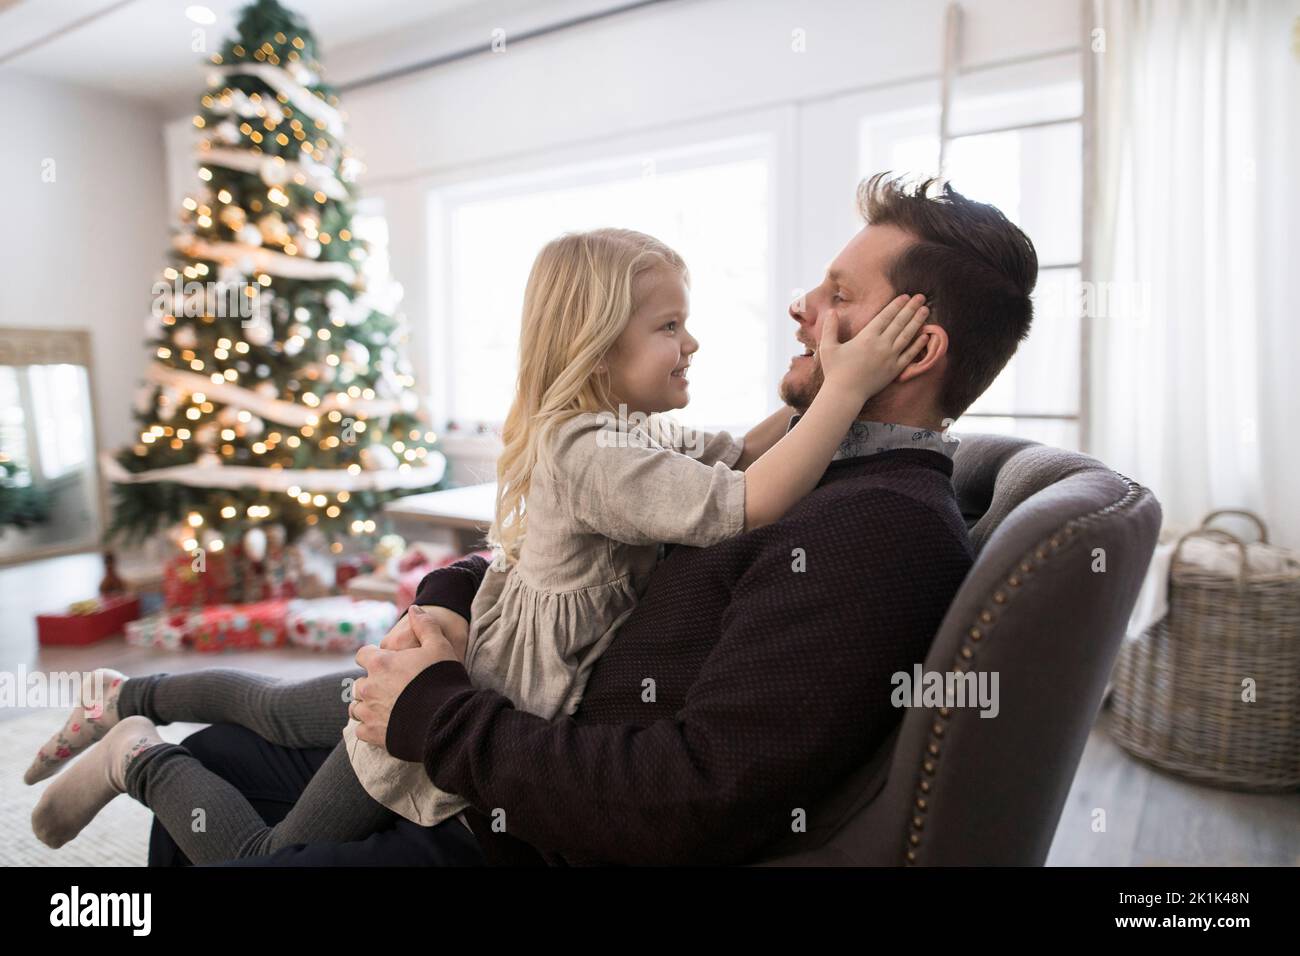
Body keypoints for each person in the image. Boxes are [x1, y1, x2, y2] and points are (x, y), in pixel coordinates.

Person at [25, 227, 927, 861]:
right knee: (263, 846)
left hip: (474, 668)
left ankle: (127, 693)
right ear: (596, 344)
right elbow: (749, 499)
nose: (692, 342)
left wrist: (816, 389)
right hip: (472, 687)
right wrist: (842, 388)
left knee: (274, 709)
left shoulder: (636, 434)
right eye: (668, 327)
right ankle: (137, 753)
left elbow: (744, 455)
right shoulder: (593, 451)